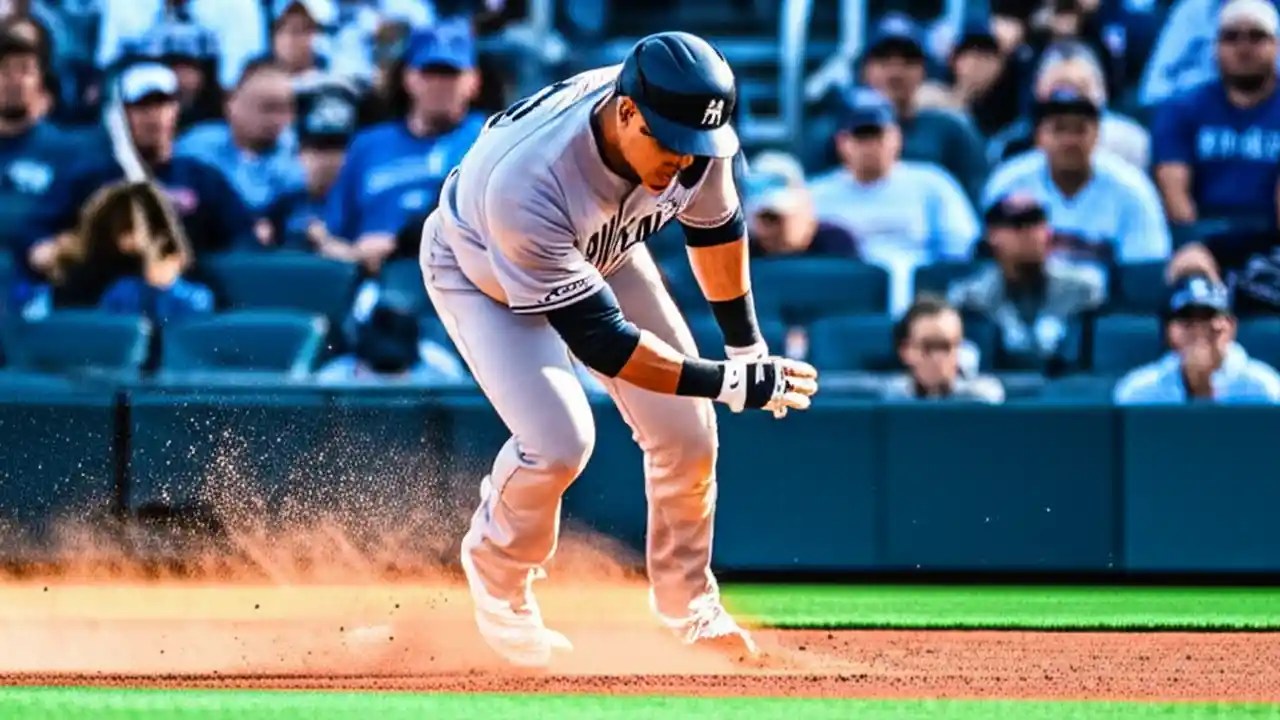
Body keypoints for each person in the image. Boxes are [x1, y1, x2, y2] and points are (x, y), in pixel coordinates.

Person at [419, 32, 819, 668]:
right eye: (673, 144)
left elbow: (715, 230)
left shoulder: (687, 122)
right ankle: (498, 579)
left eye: (699, 148)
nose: (687, 161)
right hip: (480, 269)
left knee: (689, 434)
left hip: (603, 249)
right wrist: (726, 380)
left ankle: (688, 607)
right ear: (626, 112)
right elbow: (605, 344)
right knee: (558, 442)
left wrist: (746, 347)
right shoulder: (528, 181)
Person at [25, 62, 257, 272]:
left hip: (183, 288)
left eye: (162, 104)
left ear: (175, 110)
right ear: (122, 115)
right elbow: (36, 231)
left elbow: (243, 235)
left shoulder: (202, 178)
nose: (153, 116)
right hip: (103, 289)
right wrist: (49, 249)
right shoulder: (89, 178)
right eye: (141, 106)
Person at [324, 19, 485, 275]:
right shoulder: (369, 145)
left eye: (450, 74)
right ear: (409, 77)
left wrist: (395, 246)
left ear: (473, 81)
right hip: (369, 280)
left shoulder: (490, 140)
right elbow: (332, 233)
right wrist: (353, 254)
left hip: (457, 280)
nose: (439, 85)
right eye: (429, 73)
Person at [809, 87, 980, 314]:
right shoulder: (815, 194)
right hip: (847, 304)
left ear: (896, 137)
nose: (870, 146)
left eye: (877, 135)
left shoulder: (933, 182)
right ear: (841, 142)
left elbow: (961, 250)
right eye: (861, 136)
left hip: (925, 302)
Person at [1155, 0, 1280, 288]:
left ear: (1276, 45)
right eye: (1231, 37)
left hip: (1272, 240)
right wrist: (1199, 244)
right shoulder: (1181, 108)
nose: (1244, 47)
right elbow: (1176, 198)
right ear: (1214, 47)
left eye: (1256, 36)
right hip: (1202, 239)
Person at [983, 87, 1169, 268]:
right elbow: (987, 263)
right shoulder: (1008, 183)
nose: (1069, 140)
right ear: (1038, 136)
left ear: (1097, 134)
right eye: (1059, 129)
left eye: (1079, 129)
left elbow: (1146, 270)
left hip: (1109, 299)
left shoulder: (1131, 188)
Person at [18, 180, 214, 326]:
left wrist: (165, 288)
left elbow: (200, 312)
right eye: (125, 229)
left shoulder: (185, 284)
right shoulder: (70, 279)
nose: (132, 241)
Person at [949, 192, 1105, 374]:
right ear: (992, 235)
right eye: (1018, 225)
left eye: (1037, 223)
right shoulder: (970, 299)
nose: (1031, 233)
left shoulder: (1083, 290)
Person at [856, 13, 988, 201]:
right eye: (883, 59)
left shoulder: (952, 130)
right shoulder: (836, 130)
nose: (896, 71)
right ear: (863, 69)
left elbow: (976, 204)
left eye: (908, 59)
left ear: (925, 70)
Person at [1114, 274, 1280, 403]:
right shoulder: (1139, 391)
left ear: (1230, 327)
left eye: (1208, 318)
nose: (1199, 330)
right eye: (1187, 320)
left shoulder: (1264, 388)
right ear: (1169, 331)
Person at [986, 42, 1150, 169]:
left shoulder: (1130, 142)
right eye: (1059, 88)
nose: (1070, 101)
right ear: (1038, 91)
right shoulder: (1011, 146)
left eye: (1080, 89)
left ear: (1102, 92)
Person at [0, 32, 81, 277]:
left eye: (25, 70)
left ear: (40, 81)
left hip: (40, 280)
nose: (15, 80)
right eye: (4, 70)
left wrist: (62, 245)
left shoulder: (68, 151)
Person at [175, 59, 303, 214]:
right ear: (232, 103)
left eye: (286, 109)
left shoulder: (297, 154)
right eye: (268, 108)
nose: (278, 119)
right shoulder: (196, 146)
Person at [260, 81, 357, 250]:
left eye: (338, 148)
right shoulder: (280, 203)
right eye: (319, 148)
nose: (328, 160)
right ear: (299, 152)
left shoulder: (363, 204)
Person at [882, 294, 1005, 403]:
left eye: (947, 346)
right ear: (905, 351)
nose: (938, 357)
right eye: (929, 347)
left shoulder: (982, 399)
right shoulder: (893, 398)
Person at [742, 151, 858, 259]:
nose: (772, 231)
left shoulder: (836, 243)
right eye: (766, 219)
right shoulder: (744, 252)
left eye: (777, 218)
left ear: (806, 211)